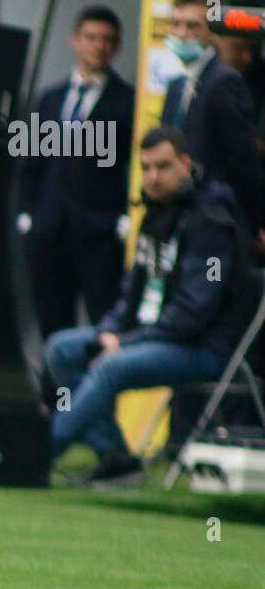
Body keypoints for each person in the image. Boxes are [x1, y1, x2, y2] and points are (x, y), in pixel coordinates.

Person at [45, 126, 256, 487]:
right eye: (146, 168)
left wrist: (124, 343)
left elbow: (193, 315)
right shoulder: (155, 214)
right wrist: (112, 330)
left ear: (186, 164)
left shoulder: (211, 222)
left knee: (110, 366)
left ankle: (36, 455)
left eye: (162, 167)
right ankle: (117, 459)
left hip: (205, 348)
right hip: (155, 334)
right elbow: (132, 295)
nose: (153, 177)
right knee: (61, 349)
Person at [20, 5, 135, 340]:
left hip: (100, 233)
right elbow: (30, 163)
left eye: (107, 40)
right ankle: (55, 395)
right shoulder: (50, 100)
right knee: (51, 323)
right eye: (91, 37)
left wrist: (122, 220)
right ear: (75, 40)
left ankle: (96, 393)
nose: (98, 46)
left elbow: (132, 163)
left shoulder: (127, 101)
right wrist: (28, 216)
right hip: (50, 231)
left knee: (105, 324)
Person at [160, 0, 264, 242]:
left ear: (214, 31)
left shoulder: (223, 80)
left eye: (193, 26)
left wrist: (257, 223)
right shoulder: (176, 85)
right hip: (178, 217)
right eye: (176, 24)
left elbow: (243, 161)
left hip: (215, 220)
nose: (182, 34)